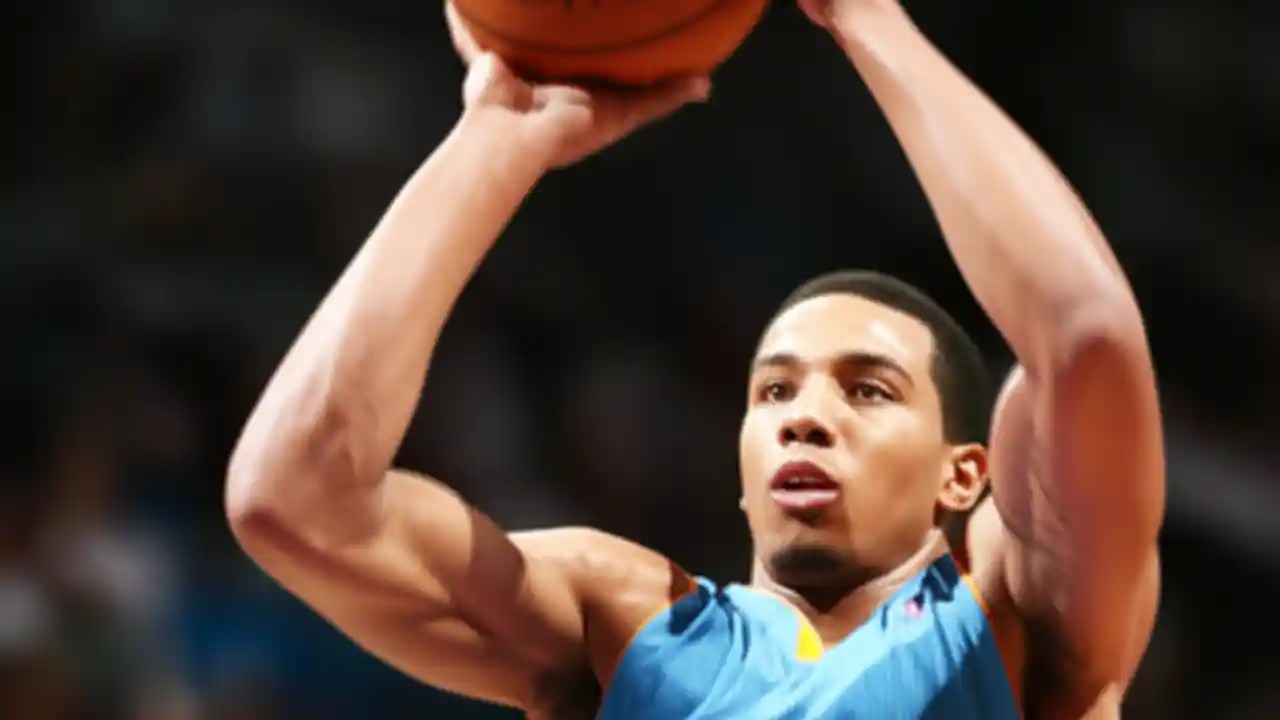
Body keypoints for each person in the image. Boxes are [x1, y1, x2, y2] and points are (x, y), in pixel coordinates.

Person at [225, 1, 1164, 717]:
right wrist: (498, 136)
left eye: (869, 390)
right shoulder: (624, 621)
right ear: (742, 469)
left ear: (965, 476)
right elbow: (296, 500)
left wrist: (866, 16)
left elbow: (1086, 340)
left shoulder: (1017, 611)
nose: (805, 413)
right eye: (774, 389)